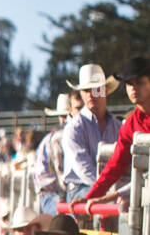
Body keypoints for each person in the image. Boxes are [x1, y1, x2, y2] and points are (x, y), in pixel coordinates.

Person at [73, 56, 150, 209]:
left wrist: (112, 194)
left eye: (139, 82)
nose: (133, 88)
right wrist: (92, 196)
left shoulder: (129, 124)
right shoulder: (130, 125)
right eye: (129, 84)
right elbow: (115, 166)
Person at [61, 64, 122, 202]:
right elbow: (85, 171)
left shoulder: (118, 126)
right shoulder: (73, 129)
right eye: (86, 90)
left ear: (105, 90)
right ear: (81, 94)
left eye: (96, 88)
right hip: (80, 188)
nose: (90, 94)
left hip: (106, 187)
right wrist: (111, 191)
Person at [33, 92, 78, 214]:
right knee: (71, 215)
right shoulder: (58, 138)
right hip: (50, 194)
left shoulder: (54, 137)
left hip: (52, 193)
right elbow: (62, 179)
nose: (64, 120)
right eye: (63, 116)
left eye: (66, 116)